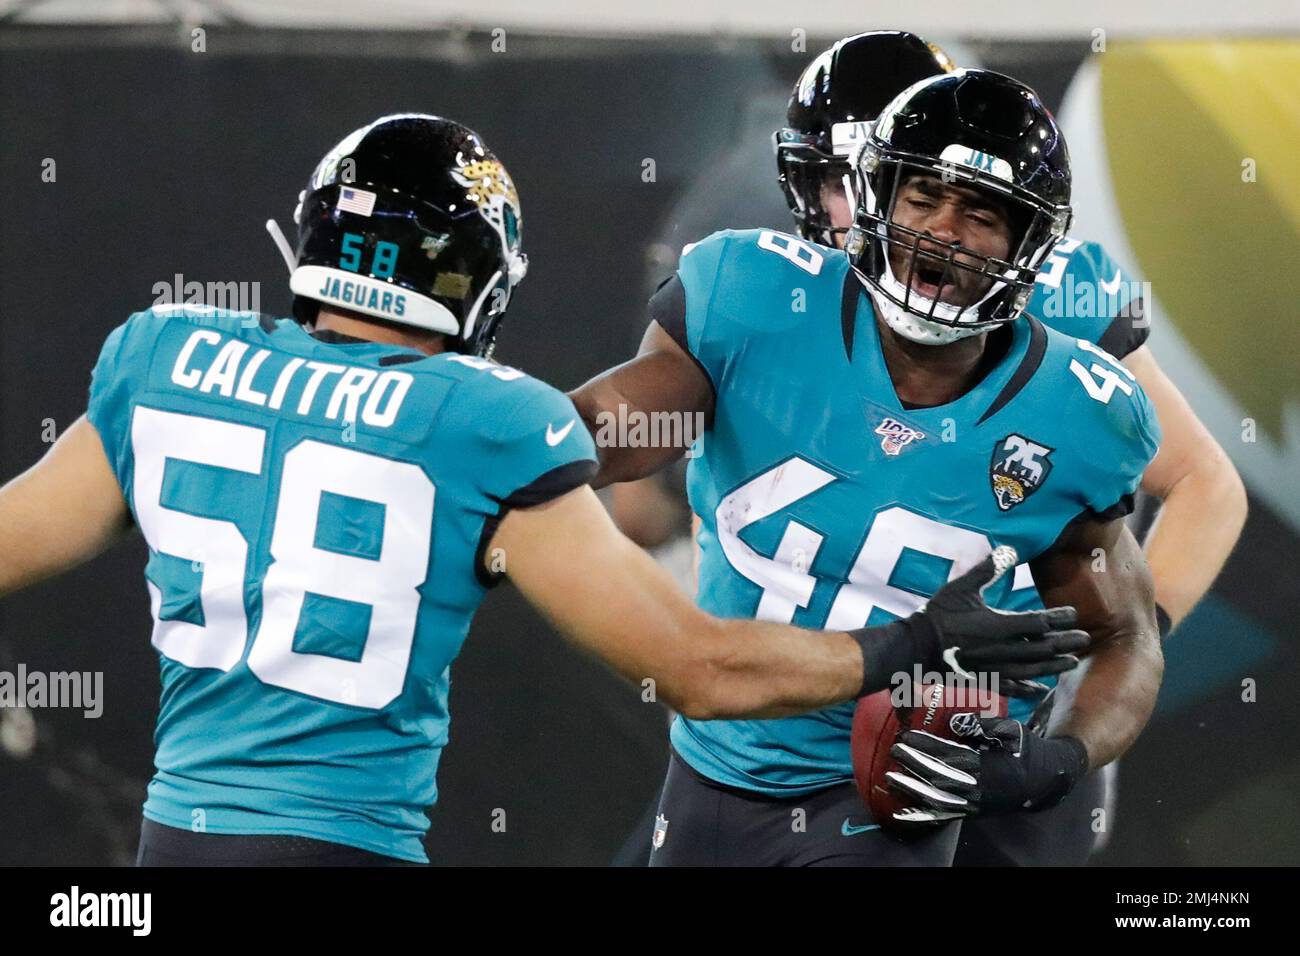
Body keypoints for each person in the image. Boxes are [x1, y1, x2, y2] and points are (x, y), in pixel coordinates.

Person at [0, 113, 1080, 867]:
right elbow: (698, 669)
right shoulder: (489, 418)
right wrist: (901, 643)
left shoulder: (168, 360)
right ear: (473, 281)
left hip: (170, 845)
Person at [570, 70, 1163, 866]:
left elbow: (1123, 637)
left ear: (1031, 247)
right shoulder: (758, 295)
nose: (943, 231)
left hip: (884, 796)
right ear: (877, 194)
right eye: (922, 198)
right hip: (712, 764)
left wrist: (1061, 758)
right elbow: (596, 437)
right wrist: (491, 440)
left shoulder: (1078, 414)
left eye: (981, 214)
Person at [773, 31, 1246, 864]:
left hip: (987, 726)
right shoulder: (780, 295)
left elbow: (1207, 483)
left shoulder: (1050, 290)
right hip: (808, 725)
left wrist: (1113, 654)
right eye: (823, 178)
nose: (834, 204)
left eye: (850, 178)